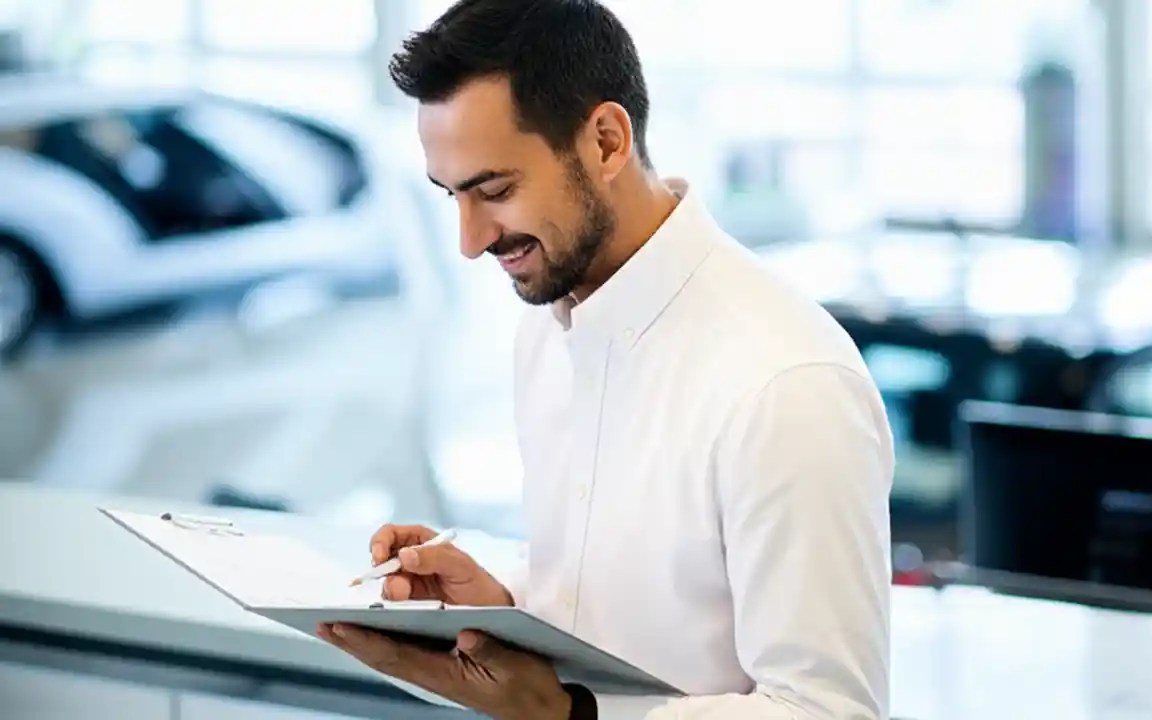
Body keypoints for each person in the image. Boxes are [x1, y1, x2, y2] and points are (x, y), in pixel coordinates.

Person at [317, 1, 894, 718]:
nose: (470, 241)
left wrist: (571, 717)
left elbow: (826, 712)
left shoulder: (786, 384)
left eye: (495, 190)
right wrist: (502, 601)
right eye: (453, 196)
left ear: (607, 141)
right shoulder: (549, 330)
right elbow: (627, 612)